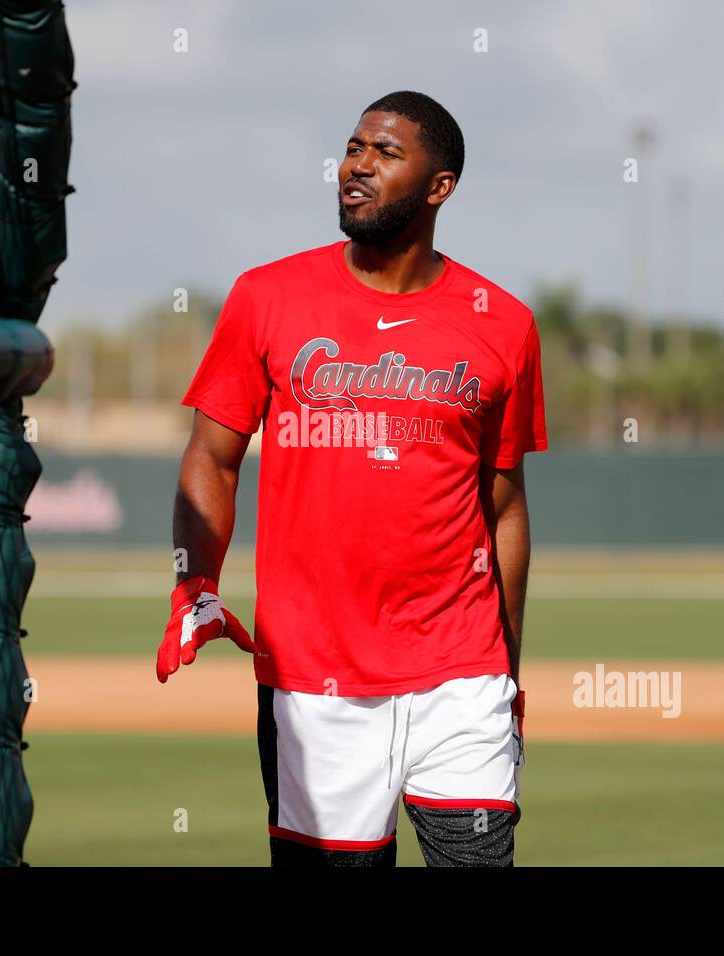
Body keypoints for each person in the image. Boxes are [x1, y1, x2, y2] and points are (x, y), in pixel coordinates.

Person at [157, 90, 547, 866]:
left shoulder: (502, 322)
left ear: (440, 188)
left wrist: (506, 671)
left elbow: (502, 506)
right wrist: (192, 578)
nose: (355, 167)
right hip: (313, 680)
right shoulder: (267, 297)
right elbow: (212, 457)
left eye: (385, 153)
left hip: (460, 675)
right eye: (354, 148)